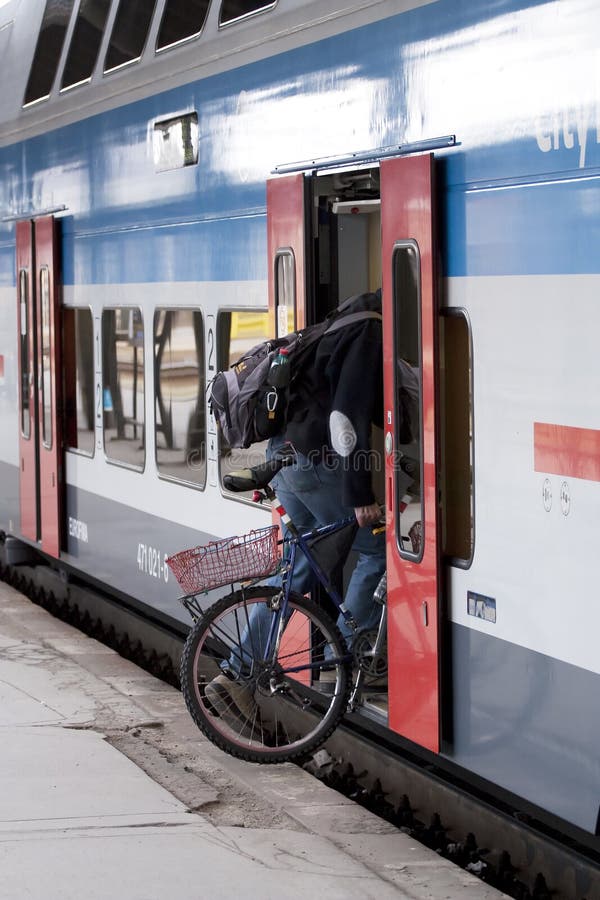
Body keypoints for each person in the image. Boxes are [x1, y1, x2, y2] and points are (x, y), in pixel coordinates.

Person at [206, 291, 386, 717]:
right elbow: (345, 418)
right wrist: (361, 496)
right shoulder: (369, 330)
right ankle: (344, 663)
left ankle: (237, 675)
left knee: (298, 566)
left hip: (283, 459)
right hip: (315, 463)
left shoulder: (336, 325)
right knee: (379, 550)